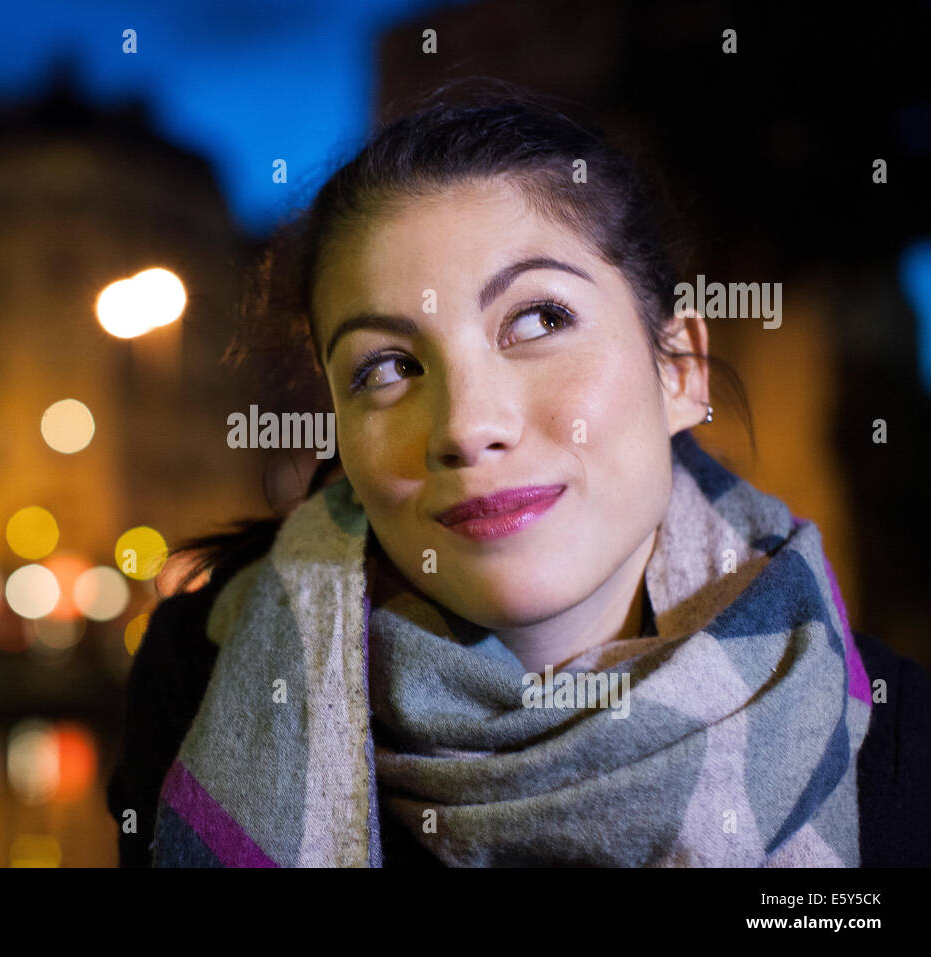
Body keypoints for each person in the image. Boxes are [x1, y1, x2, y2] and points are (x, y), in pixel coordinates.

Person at [106, 78, 931, 867]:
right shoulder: (201, 681)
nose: (466, 427)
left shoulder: (898, 747)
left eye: (539, 319)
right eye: (387, 368)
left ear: (678, 369)